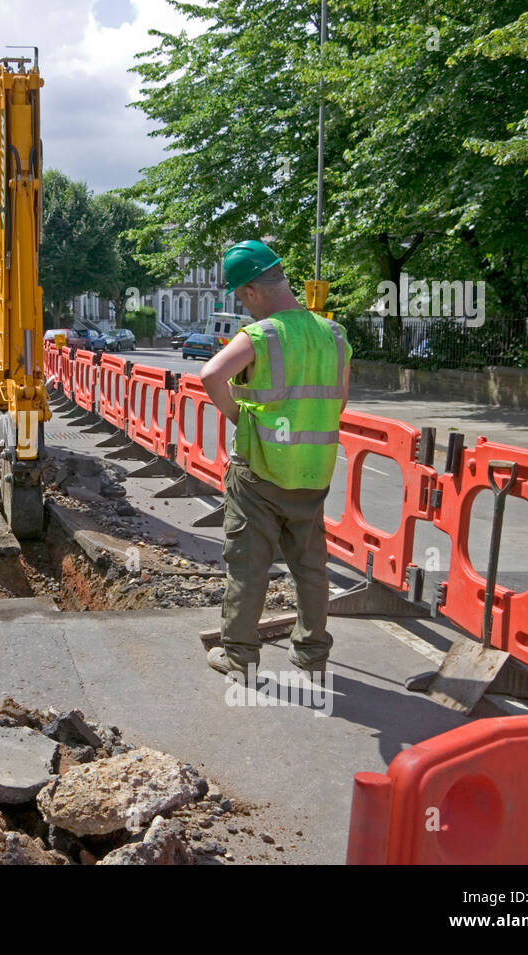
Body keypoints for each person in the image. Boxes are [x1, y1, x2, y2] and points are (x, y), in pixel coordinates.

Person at [199, 240, 352, 683]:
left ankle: (240, 660)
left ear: (250, 291)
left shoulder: (261, 335)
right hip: (312, 472)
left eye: (241, 297)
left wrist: (239, 417)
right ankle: (310, 656)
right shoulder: (333, 334)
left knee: (249, 565)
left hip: (260, 471)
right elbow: (338, 402)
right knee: (310, 566)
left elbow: (211, 374)